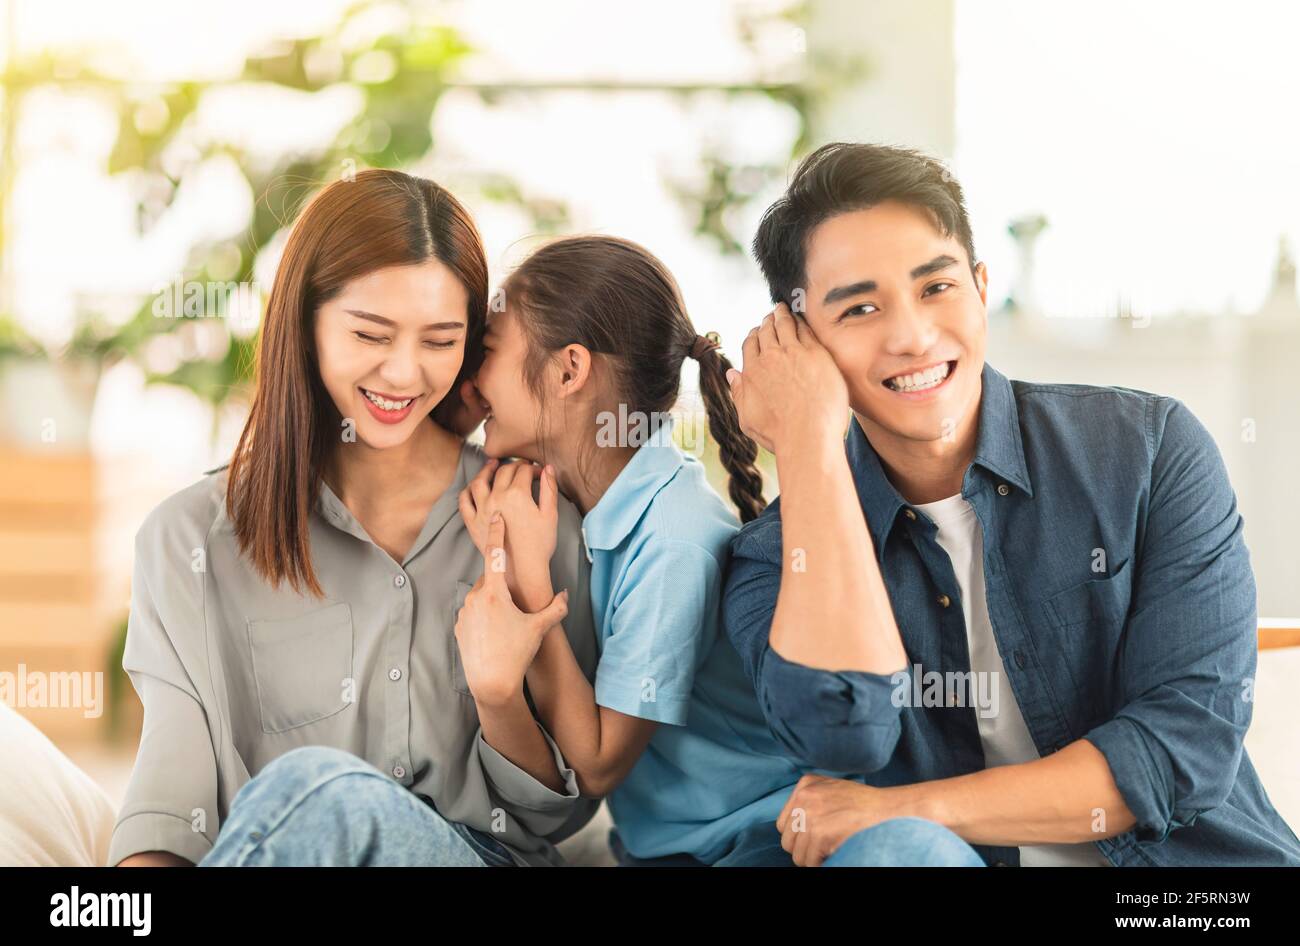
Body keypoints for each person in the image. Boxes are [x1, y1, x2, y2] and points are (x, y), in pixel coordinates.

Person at [722, 141, 1300, 866]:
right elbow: (844, 736)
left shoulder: (1147, 453)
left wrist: (907, 807)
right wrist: (806, 442)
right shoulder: (773, 558)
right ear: (803, 345)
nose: (912, 336)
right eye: (861, 308)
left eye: (936, 288)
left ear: (982, 287)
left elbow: (1182, 749)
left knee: (895, 833)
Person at [109, 169, 598, 868]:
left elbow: (558, 810)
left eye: (440, 340)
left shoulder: (530, 520)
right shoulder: (187, 541)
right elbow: (172, 808)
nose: (403, 374)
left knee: (327, 792)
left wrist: (498, 695)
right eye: (371, 333)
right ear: (303, 321)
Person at [457, 234, 982, 866]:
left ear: (569, 370)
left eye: (486, 351)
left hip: (761, 841)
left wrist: (529, 588)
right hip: (669, 845)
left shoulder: (674, 537)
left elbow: (595, 764)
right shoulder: (578, 503)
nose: (470, 377)